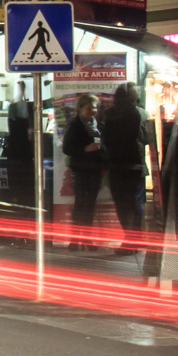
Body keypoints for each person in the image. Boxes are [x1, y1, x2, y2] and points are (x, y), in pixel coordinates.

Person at [99, 83, 149, 251]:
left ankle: (128, 239)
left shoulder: (108, 114)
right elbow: (145, 137)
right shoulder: (138, 114)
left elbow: (104, 138)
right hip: (133, 162)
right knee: (135, 202)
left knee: (122, 204)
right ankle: (136, 238)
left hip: (115, 164)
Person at [62, 93, 105, 248]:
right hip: (80, 170)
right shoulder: (75, 126)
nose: (92, 110)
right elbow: (67, 148)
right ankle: (74, 240)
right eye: (89, 108)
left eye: (94, 107)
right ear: (80, 109)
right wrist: (85, 149)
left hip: (95, 170)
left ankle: (86, 239)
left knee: (90, 205)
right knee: (80, 204)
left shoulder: (99, 125)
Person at [4, 84, 42, 214]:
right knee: (17, 185)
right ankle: (18, 210)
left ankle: (25, 210)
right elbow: (13, 129)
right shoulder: (14, 108)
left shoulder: (28, 108)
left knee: (25, 185)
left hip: (25, 153)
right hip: (18, 153)